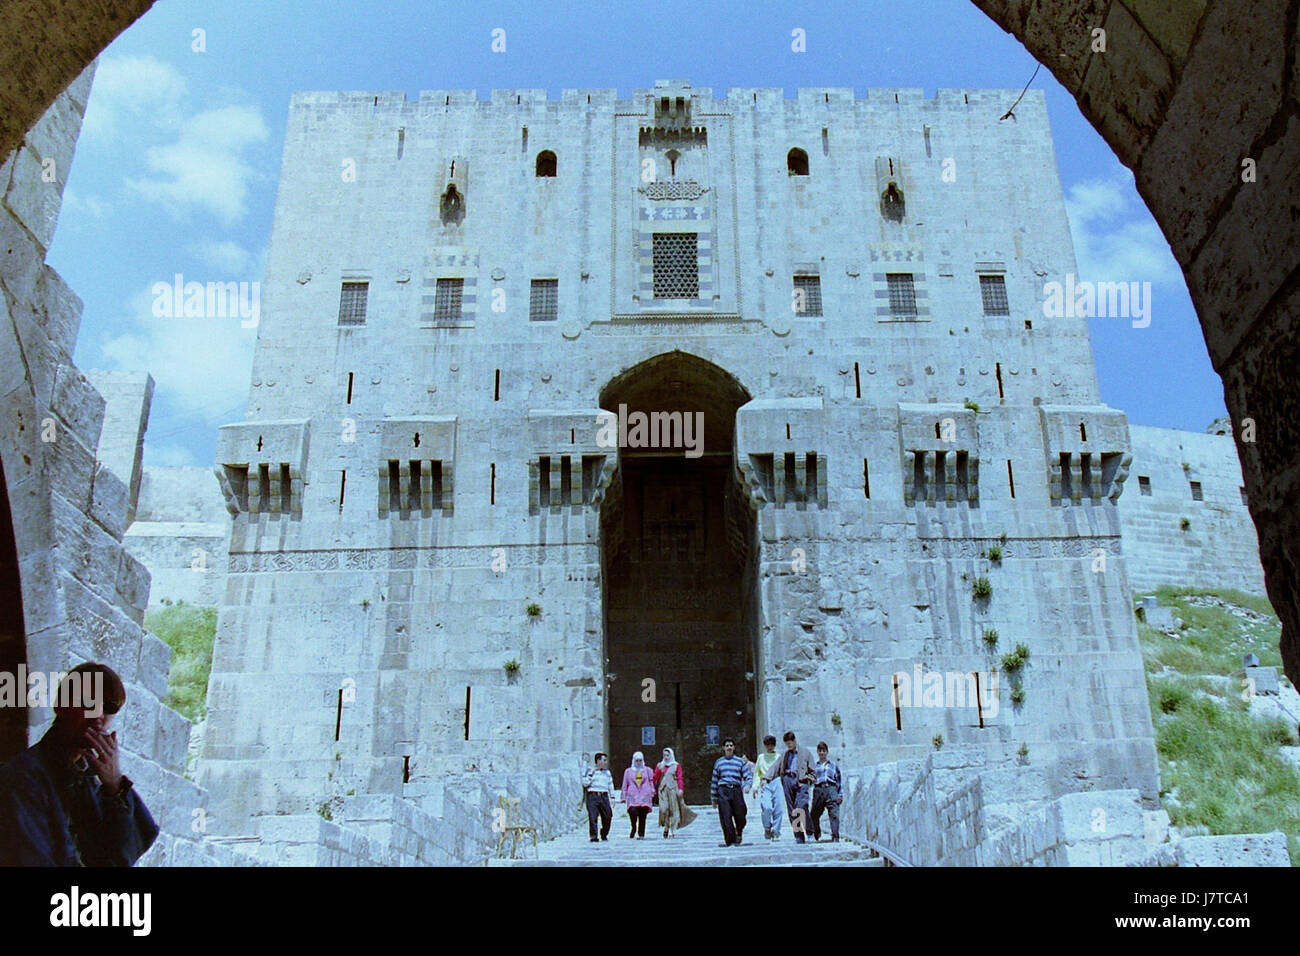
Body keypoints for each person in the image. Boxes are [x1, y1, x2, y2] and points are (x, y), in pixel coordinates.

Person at [0, 662, 159, 866]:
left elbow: (120, 856)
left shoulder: (90, 781)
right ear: (62, 705)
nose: (99, 715)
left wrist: (115, 787)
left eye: (109, 707)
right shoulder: (22, 780)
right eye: (89, 702)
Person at [760, 730, 816, 843]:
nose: (789, 746)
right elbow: (775, 767)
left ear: (795, 741)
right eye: (787, 744)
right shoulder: (785, 755)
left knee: (801, 806)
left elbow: (813, 770)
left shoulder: (805, 753)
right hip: (788, 781)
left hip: (801, 781)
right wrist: (766, 778)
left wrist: (809, 778)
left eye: (790, 743)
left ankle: (809, 832)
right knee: (792, 811)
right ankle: (799, 836)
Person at [710, 737, 753, 847]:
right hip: (723, 790)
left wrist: (747, 785)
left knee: (741, 814)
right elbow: (714, 780)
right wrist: (714, 798)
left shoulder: (740, 762)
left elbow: (748, 776)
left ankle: (739, 832)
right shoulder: (719, 763)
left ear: (734, 748)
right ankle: (730, 840)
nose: (729, 747)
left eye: (731, 745)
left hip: (736, 790)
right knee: (726, 816)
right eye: (727, 745)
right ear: (723, 748)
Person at [653, 747, 695, 838]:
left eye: (667, 755)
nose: (666, 757)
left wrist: (680, 789)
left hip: (672, 789)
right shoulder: (660, 765)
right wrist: (659, 770)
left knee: (673, 809)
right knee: (664, 809)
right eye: (664, 755)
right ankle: (666, 825)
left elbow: (680, 778)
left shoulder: (676, 765)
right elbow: (655, 778)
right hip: (663, 789)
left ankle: (672, 829)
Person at [809, 741, 843, 842]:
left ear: (827, 752)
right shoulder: (814, 766)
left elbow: (839, 781)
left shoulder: (833, 766)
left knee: (834, 813)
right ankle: (816, 832)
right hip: (818, 789)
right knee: (814, 813)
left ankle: (835, 836)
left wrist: (840, 794)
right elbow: (811, 780)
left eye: (824, 751)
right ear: (817, 752)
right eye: (820, 751)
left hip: (831, 789)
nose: (822, 753)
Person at [752, 734, 783, 841]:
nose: (770, 747)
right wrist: (755, 787)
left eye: (772, 744)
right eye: (768, 745)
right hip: (765, 783)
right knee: (767, 807)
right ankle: (767, 827)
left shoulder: (779, 757)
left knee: (778, 808)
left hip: (777, 782)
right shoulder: (761, 757)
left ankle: (776, 831)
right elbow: (757, 773)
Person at [621, 751, 655, 839]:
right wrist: (623, 796)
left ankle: (641, 834)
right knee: (632, 812)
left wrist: (652, 792)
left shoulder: (648, 770)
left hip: (644, 796)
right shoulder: (628, 771)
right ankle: (633, 827)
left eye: (640, 760)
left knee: (643, 816)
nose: (638, 762)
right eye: (637, 760)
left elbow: (651, 782)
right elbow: (625, 784)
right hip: (633, 797)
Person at [581, 752, 614, 842]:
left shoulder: (607, 773)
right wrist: (591, 774)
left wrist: (612, 796)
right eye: (604, 760)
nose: (606, 762)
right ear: (598, 761)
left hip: (604, 795)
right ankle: (593, 836)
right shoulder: (590, 771)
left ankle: (604, 833)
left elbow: (610, 784)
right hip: (593, 795)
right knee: (593, 817)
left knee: (608, 816)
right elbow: (585, 783)